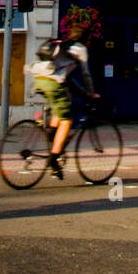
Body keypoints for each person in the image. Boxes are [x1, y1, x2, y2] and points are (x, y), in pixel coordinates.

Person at [27, 22, 98, 178]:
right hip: (53, 83)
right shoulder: (80, 49)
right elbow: (85, 75)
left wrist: (81, 92)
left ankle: (52, 134)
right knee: (66, 121)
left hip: (39, 79)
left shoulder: (61, 44)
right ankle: (54, 156)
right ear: (85, 39)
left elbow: (68, 77)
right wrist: (91, 93)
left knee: (63, 103)